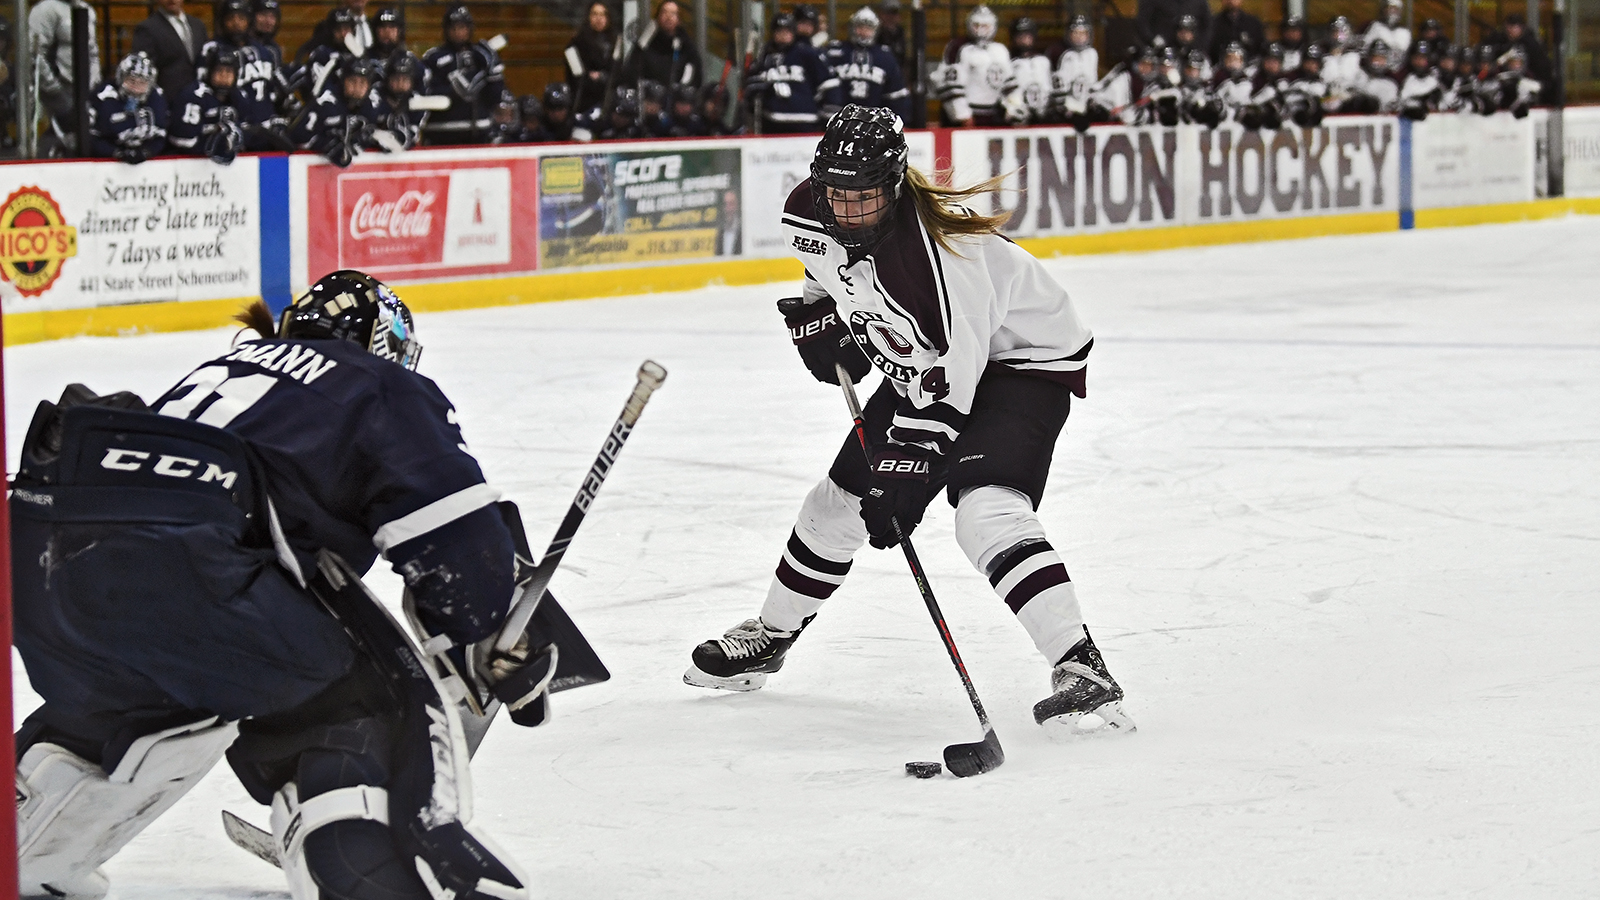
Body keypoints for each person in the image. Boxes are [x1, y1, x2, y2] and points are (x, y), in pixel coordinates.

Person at [12, 271, 539, 900]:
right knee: (360, 703)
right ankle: (362, 870)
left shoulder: (228, 369)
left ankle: (24, 853)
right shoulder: (381, 384)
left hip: (40, 559)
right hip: (187, 570)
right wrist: (483, 634)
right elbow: (453, 535)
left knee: (139, 701)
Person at [683, 105, 1131, 739]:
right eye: (837, 193)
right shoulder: (809, 209)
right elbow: (824, 272)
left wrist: (909, 472)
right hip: (929, 367)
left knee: (985, 511)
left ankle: (1082, 666)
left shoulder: (945, 261)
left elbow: (953, 388)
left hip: (1020, 363)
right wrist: (819, 320)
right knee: (834, 504)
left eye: (863, 197)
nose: (847, 210)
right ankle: (772, 636)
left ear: (893, 186)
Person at [200, 0, 293, 152]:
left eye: (241, 18)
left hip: (266, 132)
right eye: (231, 18)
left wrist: (280, 114)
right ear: (222, 21)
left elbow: (273, 89)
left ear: (249, 20)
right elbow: (204, 92)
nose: (236, 23)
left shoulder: (263, 51)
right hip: (232, 135)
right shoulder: (212, 50)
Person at [421, 4, 505, 144]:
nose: (458, 32)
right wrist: (453, 91)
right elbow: (425, 93)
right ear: (446, 30)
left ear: (470, 29)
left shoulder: (480, 56)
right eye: (453, 28)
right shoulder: (433, 57)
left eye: (462, 27)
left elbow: (495, 96)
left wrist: (492, 68)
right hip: (441, 133)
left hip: (479, 132)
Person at [28, 0, 101, 154]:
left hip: (83, 91)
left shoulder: (86, 9)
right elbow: (35, 54)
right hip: (56, 91)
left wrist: (93, 85)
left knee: (82, 139)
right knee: (58, 137)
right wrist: (53, 88)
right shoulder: (45, 9)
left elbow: (93, 52)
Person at [745, 12, 836, 134]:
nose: (783, 35)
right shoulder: (765, 55)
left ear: (794, 33)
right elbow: (750, 84)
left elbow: (828, 85)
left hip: (806, 122)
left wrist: (825, 118)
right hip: (772, 123)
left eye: (787, 31)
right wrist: (768, 86)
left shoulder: (806, 53)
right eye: (779, 31)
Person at [291, 55, 380, 165]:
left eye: (362, 82)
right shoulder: (327, 104)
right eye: (352, 81)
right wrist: (326, 144)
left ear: (369, 86)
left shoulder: (370, 106)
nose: (357, 87)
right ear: (343, 81)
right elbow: (298, 136)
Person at [824, 7, 909, 120]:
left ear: (876, 30)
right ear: (852, 28)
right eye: (860, 27)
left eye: (868, 28)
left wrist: (897, 119)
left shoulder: (885, 56)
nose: (863, 32)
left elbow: (895, 93)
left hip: (873, 121)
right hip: (839, 117)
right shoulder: (834, 52)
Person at [937, 5, 1016, 127]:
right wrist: (963, 115)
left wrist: (1013, 110)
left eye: (985, 26)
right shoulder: (957, 48)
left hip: (994, 118)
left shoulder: (1000, 50)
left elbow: (1010, 87)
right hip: (968, 119)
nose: (980, 30)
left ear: (993, 26)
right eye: (976, 25)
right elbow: (950, 86)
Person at [87, 52, 168, 163]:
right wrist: (116, 152)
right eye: (131, 81)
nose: (135, 89)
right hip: (106, 164)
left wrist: (147, 151)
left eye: (142, 83)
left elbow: (160, 136)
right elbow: (91, 137)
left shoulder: (157, 98)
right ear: (120, 77)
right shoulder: (103, 97)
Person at [168, 47, 244, 162]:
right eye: (219, 70)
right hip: (184, 165)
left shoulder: (237, 97)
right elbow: (182, 141)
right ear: (209, 72)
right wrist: (212, 143)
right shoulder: (194, 96)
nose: (224, 76)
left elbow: (245, 130)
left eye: (229, 71)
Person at [130, 0, 202, 105]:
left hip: (197, 100)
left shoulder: (198, 25)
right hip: (166, 101)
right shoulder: (147, 28)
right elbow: (143, 69)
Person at [622, 0, 702, 91]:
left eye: (673, 13)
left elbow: (694, 78)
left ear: (679, 20)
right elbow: (631, 71)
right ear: (658, 17)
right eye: (664, 12)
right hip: (649, 96)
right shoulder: (646, 43)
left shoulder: (686, 48)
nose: (668, 17)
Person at [565, 1, 616, 113]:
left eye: (603, 14)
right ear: (588, 17)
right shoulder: (577, 43)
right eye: (595, 14)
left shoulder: (614, 42)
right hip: (584, 103)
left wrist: (602, 77)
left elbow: (617, 72)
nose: (599, 18)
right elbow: (577, 76)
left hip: (608, 102)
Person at [1006, 16, 1050, 124]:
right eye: (1020, 36)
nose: (1024, 39)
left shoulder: (1043, 61)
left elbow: (1049, 89)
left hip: (1043, 117)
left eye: (1027, 35)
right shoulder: (1008, 62)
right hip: (1019, 119)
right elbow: (1005, 94)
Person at [1135, 0, 1208, 52]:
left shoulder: (1199, 2)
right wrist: (1152, 39)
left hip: (1190, 50)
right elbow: (1142, 21)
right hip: (1160, 49)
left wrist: (1197, 41)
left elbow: (1207, 25)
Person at [1208, 0, 1263, 64]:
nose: (1231, 1)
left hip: (1249, 67)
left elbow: (1260, 50)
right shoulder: (1212, 24)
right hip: (1218, 67)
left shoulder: (1253, 23)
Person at [1362, 0, 1409, 71]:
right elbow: (1365, 48)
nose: (1392, 12)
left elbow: (1401, 54)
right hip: (1375, 67)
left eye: (1395, 9)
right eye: (1389, 8)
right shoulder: (1376, 27)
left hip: (1395, 70)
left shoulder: (1404, 32)